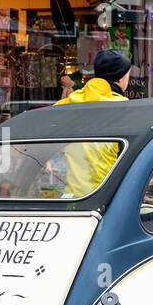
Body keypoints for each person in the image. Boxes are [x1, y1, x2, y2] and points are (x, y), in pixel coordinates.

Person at [55, 48, 130, 197]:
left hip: (70, 199)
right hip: (108, 197)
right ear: (121, 78)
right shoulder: (125, 109)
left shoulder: (68, 104)